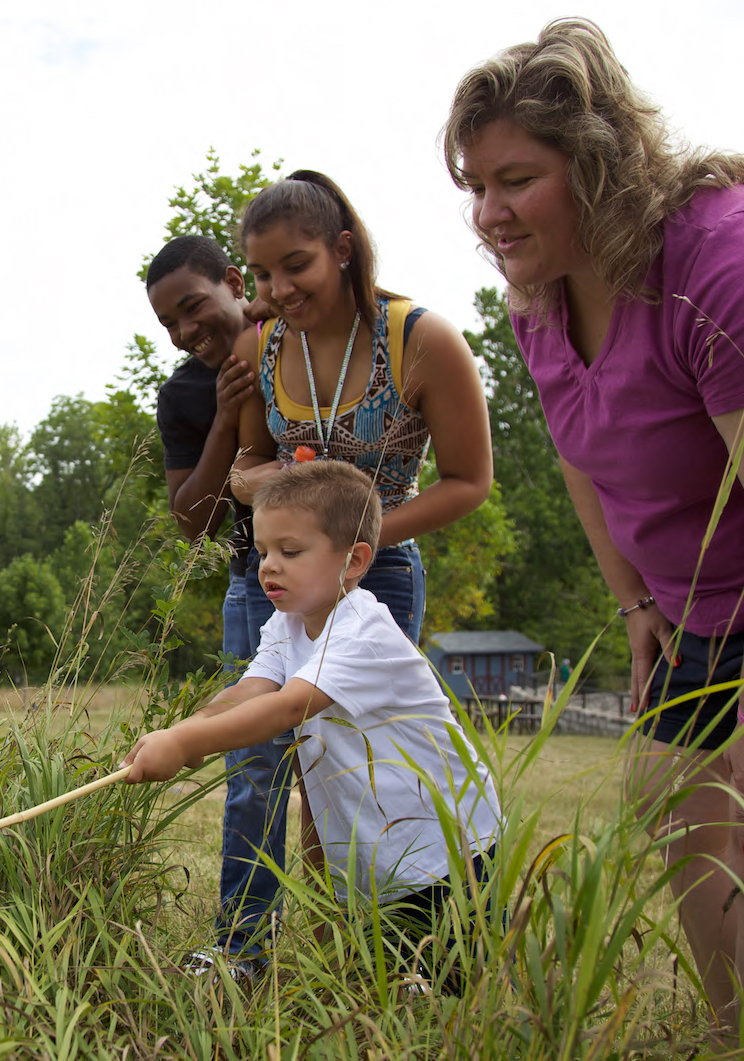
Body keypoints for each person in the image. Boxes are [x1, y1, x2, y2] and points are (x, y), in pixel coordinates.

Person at [444, 18, 744, 1047]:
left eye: (515, 180)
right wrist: (635, 601)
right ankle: (736, 1042)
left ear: (599, 160)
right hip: (699, 599)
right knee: (688, 841)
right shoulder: (541, 295)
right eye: (474, 186)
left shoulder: (741, 262)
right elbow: (585, 454)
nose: (488, 213)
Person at [121, 460, 501, 981]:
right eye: (262, 552)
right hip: (381, 854)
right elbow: (251, 690)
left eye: (290, 552)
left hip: (450, 851)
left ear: (353, 561)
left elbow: (285, 707)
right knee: (379, 989)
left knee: (453, 991)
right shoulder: (289, 622)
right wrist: (180, 732)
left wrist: (187, 745)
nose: (268, 566)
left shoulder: (363, 630)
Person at [227, 170, 493, 643]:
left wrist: (356, 543)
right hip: (275, 573)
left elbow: (469, 481)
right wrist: (246, 483)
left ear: (343, 250)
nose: (280, 289)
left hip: (380, 566)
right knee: (270, 714)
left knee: (360, 719)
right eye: (263, 275)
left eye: (297, 265)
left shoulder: (421, 340)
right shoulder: (259, 347)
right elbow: (247, 462)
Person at [145, 235, 288, 981]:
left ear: (236, 283)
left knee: (356, 763)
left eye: (194, 307)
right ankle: (244, 950)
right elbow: (193, 520)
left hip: (358, 576)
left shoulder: (300, 336)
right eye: (168, 322)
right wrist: (228, 422)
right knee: (255, 769)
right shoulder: (185, 395)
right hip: (254, 588)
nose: (184, 331)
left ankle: (370, 938)